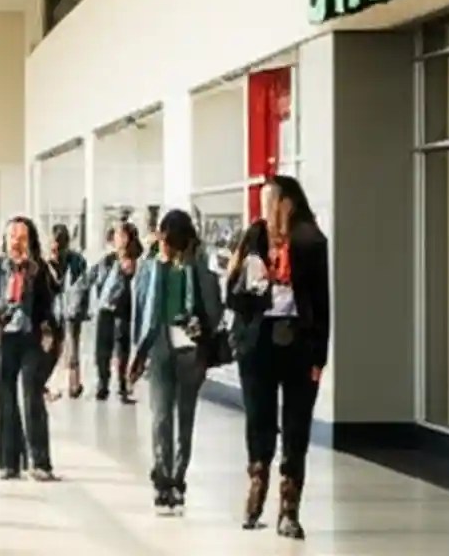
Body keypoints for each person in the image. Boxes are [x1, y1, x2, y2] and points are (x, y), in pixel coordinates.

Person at [226, 175, 329, 540]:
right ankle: (257, 487)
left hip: (299, 342)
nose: (264, 207)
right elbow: (231, 294)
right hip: (257, 342)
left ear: (287, 202)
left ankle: (289, 508)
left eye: (270, 199)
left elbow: (321, 303)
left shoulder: (311, 242)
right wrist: (251, 283)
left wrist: (320, 355)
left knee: (297, 424)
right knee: (259, 417)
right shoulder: (253, 237)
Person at [127, 209, 221, 515]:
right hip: (160, 348)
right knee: (160, 417)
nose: (161, 245)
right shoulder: (150, 268)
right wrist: (136, 353)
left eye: (166, 240)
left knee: (184, 418)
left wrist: (196, 263)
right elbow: (140, 312)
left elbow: (214, 310)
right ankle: (162, 478)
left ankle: (178, 478)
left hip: (190, 351)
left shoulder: (198, 271)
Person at [0, 216, 58, 481]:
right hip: (4, 338)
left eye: (22, 237)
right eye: (12, 236)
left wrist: (50, 336)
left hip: (31, 338)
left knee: (31, 396)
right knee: (5, 400)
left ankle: (39, 461)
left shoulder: (39, 270)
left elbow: (48, 306)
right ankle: (8, 461)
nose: (16, 242)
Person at [89, 222, 143, 403]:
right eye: (116, 235)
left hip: (123, 309)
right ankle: (102, 384)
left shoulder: (135, 259)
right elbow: (96, 279)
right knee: (102, 349)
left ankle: (122, 385)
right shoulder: (108, 259)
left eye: (120, 235)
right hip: (105, 308)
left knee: (122, 348)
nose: (117, 238)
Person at [47, 224, 89, 399]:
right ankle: (52, 384)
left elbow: (82, 286)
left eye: (60, 246)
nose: (57, 251)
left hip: (71, 310)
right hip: (55, 310)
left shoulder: (77, 261)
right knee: (54, 348)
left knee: (72, 347)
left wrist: (80, 308)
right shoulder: (48, 262)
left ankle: (73, 385)